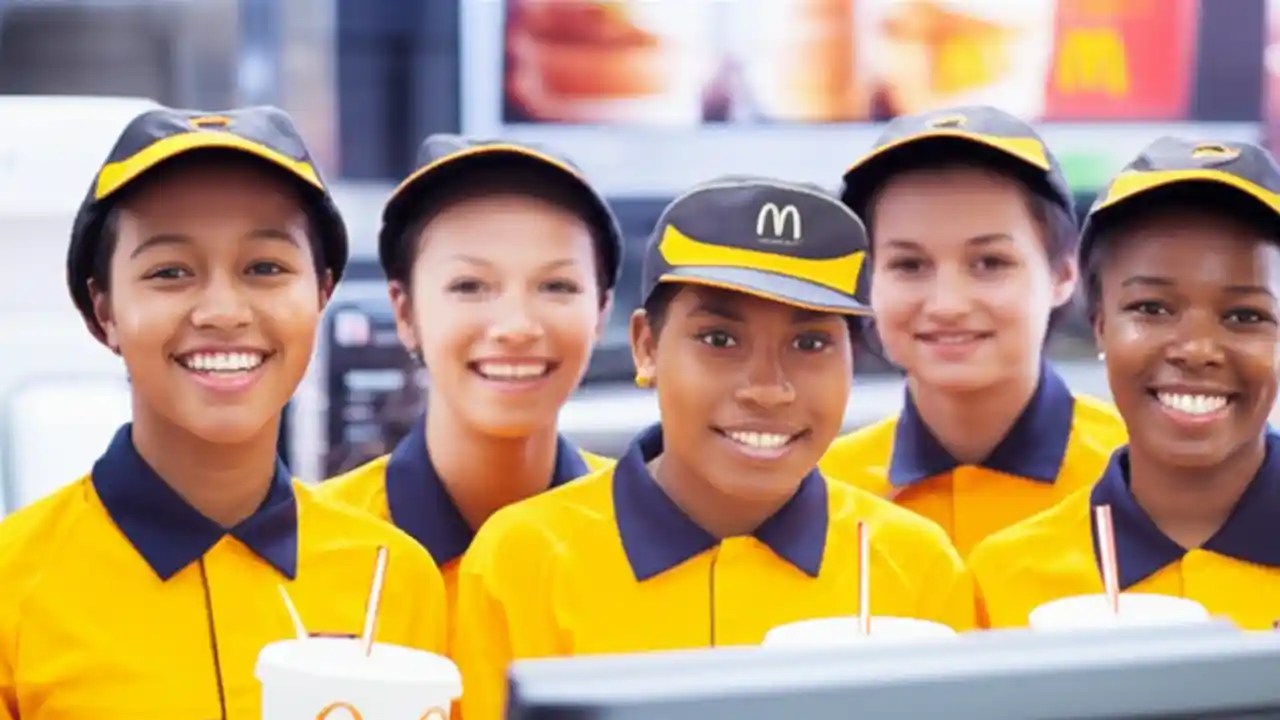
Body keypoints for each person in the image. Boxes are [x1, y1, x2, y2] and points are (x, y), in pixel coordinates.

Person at [451, 176, 975, 720]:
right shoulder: (525, 559)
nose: (768, 388)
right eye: (720, 340)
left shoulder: (914, 567)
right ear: (646, 347)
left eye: (810, 343)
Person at [0, 107, 447, 719]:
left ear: (321, 292)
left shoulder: (391, 576)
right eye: (170, 272)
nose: (222, 310)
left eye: (265, 268)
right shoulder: (14, 585)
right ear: (103, 310)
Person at [970, 137, 1280, 630]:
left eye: (1246, 315)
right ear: (1100, 326)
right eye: (1151, 309)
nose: (1197, 349)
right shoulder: (1007, 575)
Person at [319, 136, 621, 631]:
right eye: (470, 286)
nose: (516, 325)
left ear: (602, 312)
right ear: (405, 310)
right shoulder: (317, 550)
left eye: (556, 286)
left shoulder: (651, 541)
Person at [818, 106, 1128, 556]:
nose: (947, 305)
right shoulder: (823, 495)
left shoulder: (1141, 481)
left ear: (1063, 274)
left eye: (990, 263)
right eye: (909, 265)